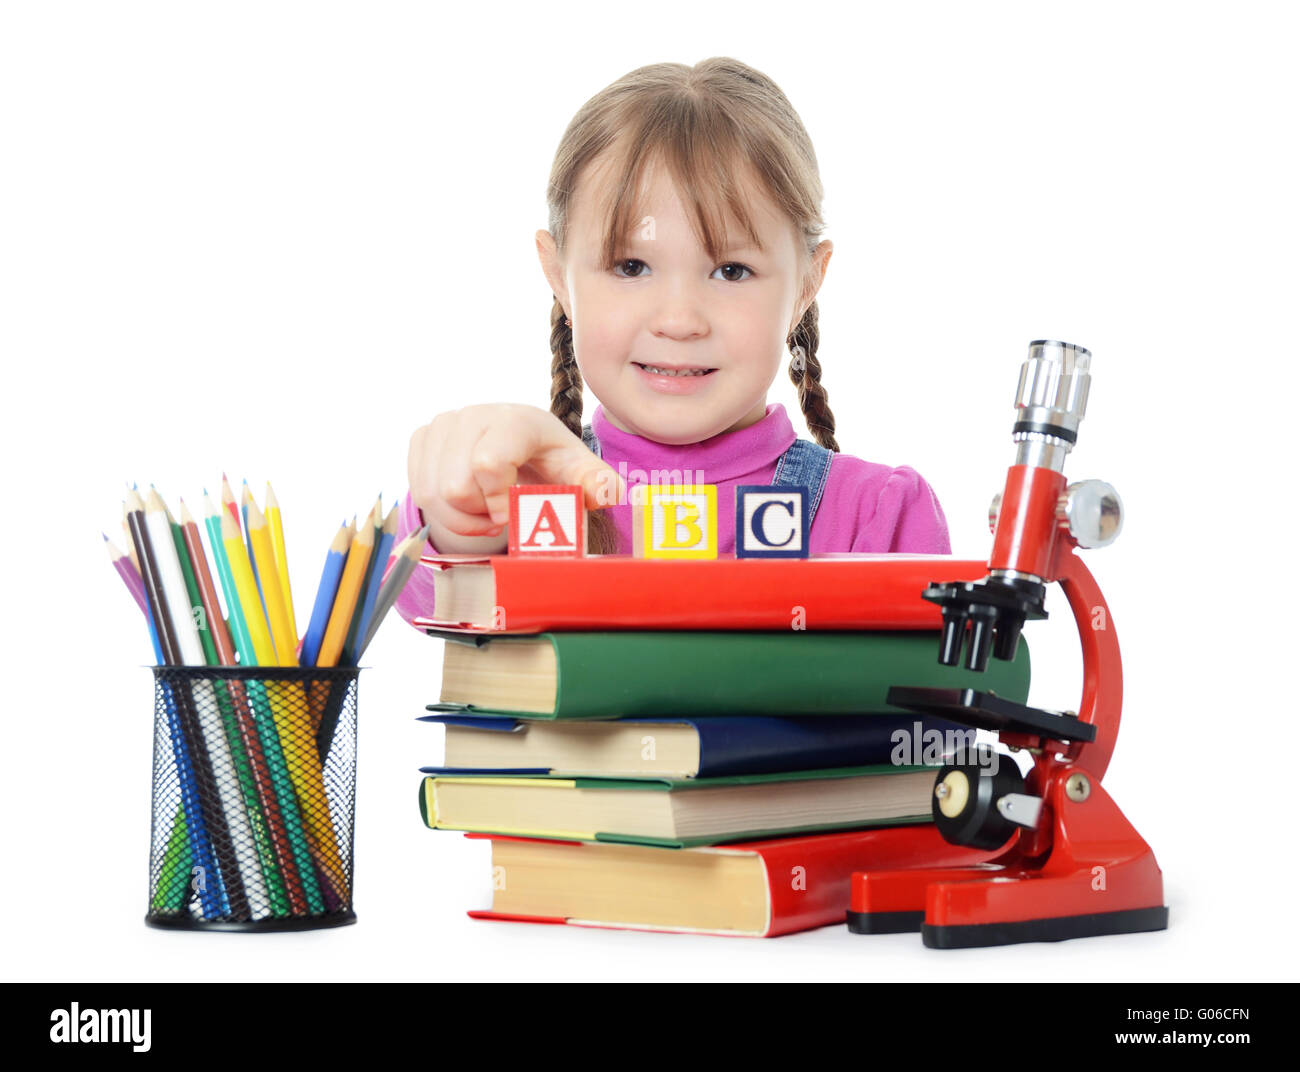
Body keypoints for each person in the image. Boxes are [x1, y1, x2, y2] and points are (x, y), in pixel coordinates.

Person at [396, 57, 950, 626]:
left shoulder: (881, 516)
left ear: (808, 282)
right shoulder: (514, 501)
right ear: (558, 274)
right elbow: (424, 591)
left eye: (731, 271)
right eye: (631, 266)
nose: (680, 320)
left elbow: (934, 707)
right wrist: (459, 515)